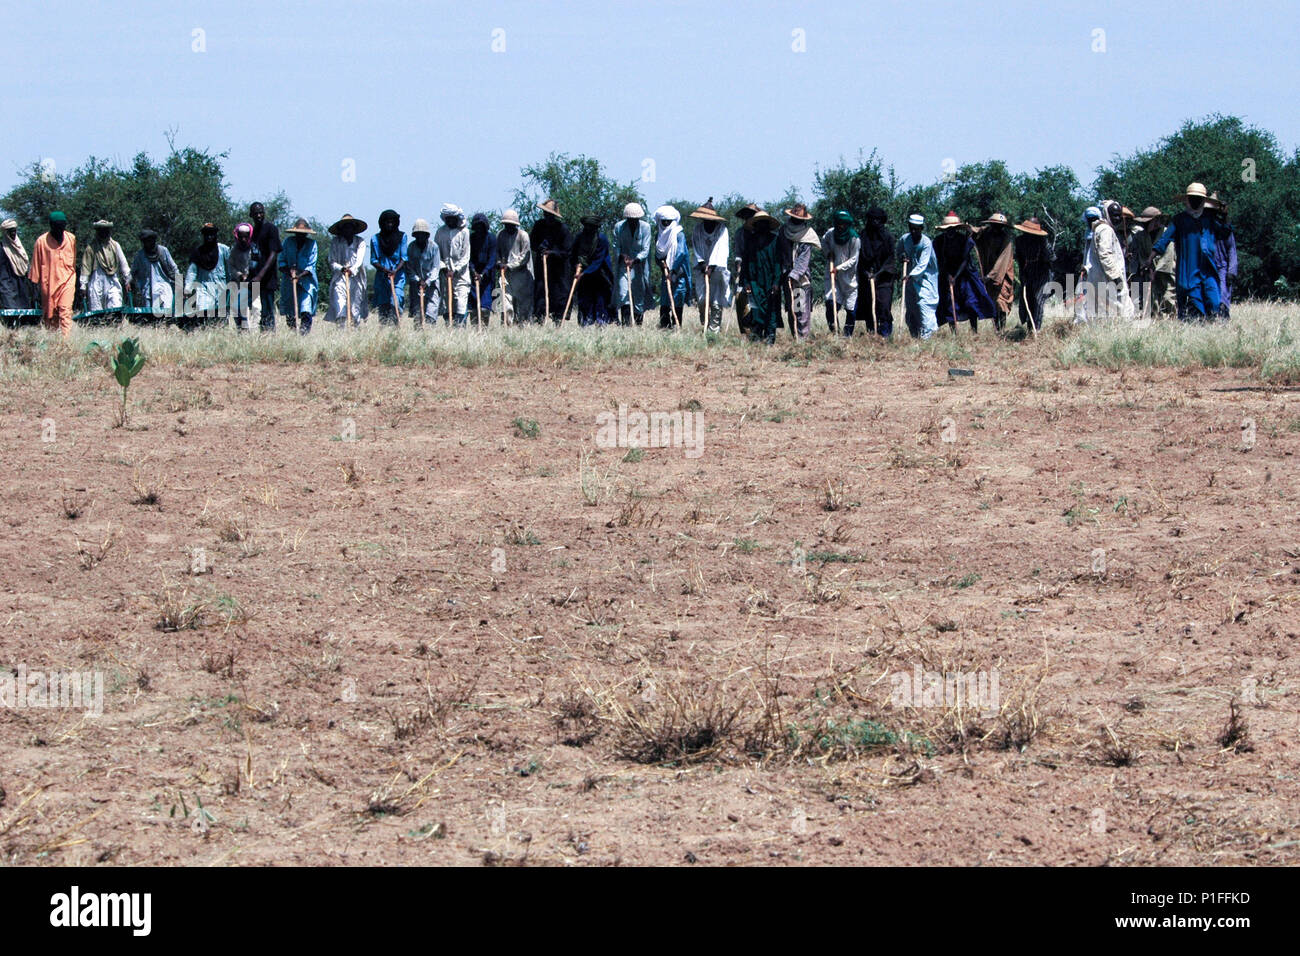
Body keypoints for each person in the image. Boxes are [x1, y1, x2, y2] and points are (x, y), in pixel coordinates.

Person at [1152, 182, 1232, 321]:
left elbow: (1224, 234)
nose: (1196, 201)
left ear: (1203, 201)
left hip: (1208, 271)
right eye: (1193, 198)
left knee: (1214, 302)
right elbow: (1163, 241)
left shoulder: (1210, 220)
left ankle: (1214, 331)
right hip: (1189, 271)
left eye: (1199, 199)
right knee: (1195, 306)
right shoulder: (1179, 220)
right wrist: (1149, 259)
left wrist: (1225, 216)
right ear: (1187, 200)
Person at [933, 212, 995, 333]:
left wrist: (956, 276)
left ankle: (974, 331)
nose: (950, 232)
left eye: (953, 229)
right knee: (949, 303)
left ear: (956, 229)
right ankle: (954, 333)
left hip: (965, 274)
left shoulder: (963, 239)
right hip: (947, 274)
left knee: (971, 301)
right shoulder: (939, 241)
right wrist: (948, 275)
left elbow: (965, 260)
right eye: (948, 229)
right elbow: (940, 261)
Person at [1080, 201, 1133, 320]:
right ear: (1106, 214)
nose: (1118, 218)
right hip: (1109, 279)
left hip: (1102, 278)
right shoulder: (1105, 230)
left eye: (1119, 215)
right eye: (1114, 215)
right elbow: (1105, 254)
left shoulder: (1101, 229)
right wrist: (1115, 277)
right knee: (1121, 310)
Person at [28, 211, 77, 336]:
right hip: (49, 283)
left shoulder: (71, 239)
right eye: (57, 225)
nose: (60, 228)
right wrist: (34, 289)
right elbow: (35, 266)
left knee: (65, 310)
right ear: (51, 225)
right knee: (51, 315)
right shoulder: (41, 241)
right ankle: (53, 342)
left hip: (68, 280)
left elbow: (74, 261)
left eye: (62, 225)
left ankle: (67, 343)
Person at [738, 210, 782, 344]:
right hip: (754, 281)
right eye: (759, 223)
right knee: (755, 308)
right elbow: (745, 263)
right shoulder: (750, 241)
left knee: (772, 309)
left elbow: (778, 263)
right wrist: (745, 282)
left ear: (768, 225)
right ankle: (757, 334)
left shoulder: (775, 240)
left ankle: (770, 336)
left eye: (764, 223)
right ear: (755, 225)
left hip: (770, 280)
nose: (761, 226)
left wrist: (776, 282)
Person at [852, 207, 895, 337]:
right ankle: (871, 332)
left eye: (878, 220)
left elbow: (890, 259)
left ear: (882, 221)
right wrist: (866, 273)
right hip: (866, 277)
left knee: (883, 305)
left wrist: (878, 274)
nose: (875, 222)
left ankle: (885, 334)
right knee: (868, 305)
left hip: (884, 278)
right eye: (872, 220)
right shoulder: (863, 236)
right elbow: (858, 257)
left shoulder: (888, 237)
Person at [688, 199, 730, 332]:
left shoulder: (722, 230)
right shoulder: (697, 229)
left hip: (718, 270)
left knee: (716, 302)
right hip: (701, 269)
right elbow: (696, 247)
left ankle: (713, 331)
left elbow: (721, 249)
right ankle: (705, 322)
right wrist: (702, 264)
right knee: (702, 301)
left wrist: (711, 266)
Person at [777, 203, 818, 337]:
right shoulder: (784, 231)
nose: (796, 220)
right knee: (791, 309)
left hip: (800, 280)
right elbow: (780, 253)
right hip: (786, 276)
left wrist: (794, 275)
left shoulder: (807, 235)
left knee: (800, 311)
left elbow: (803, 260)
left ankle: (802, 339)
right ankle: (795, 336)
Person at [897, 213, 938, 339]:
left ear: (921, 228)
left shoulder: (926, 243)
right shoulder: (904, 239)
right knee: (911, 306)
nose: (914, 231)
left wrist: (911, 275)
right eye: (911, 228)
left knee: (924, 304)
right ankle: (915, 336)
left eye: (917, 228)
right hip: (909, 278)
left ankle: (927, 338)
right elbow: (899, 252)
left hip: (925, 278)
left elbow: (923, 264)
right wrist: (902, 257)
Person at [570, 215, 615, 325]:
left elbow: (598, 261)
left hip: (600, 274)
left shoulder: (601, 239)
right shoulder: (579, 237)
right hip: (583, 273)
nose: (589, 229)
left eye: (591, 226)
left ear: (596, 228)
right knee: (585, 299)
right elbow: (573, 254)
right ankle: (585, 322)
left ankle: (601, 321)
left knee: (600, 299)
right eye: (587, 226)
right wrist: (576, 266)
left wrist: (584, 273)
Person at [183, 223, 230, 327]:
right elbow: (192, 272)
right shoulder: (198, 252)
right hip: (204, 287)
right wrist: (188, 287)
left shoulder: (224, 250)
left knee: (222, 316)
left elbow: (229, 269)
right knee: (204, 312)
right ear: (203, 235)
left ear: (215, 235)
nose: (209, 237)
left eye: (212, 234)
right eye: (207, 234)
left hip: (221, 287)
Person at [531, 198, 570, 322]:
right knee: (540, 293)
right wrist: (540, 249)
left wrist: (552, 253)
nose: (547, 216)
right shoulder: (539, 226)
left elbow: (567, 251)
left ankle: (557, 321)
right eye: (545, 213)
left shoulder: (562, 229)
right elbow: (532, 243)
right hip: (541, 267)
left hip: (558, 270)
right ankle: (540, 320)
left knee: (558, 296)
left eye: (549, 214)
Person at [79, 219, 131, 314]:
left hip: (113, 281)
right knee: (97, 312)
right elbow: (85, 268)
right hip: (96, 282)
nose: (103, 232)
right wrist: (83, 286)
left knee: (116, 308)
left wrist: (127, 280)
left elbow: (124, 264)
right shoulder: (91, 248)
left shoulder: (115, 245)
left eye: (105, 230)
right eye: (101, 230)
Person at [821, 210, 859, 334]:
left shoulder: (854, 239)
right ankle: (834, 332)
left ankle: (847, 335)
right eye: (839, 223)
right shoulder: (830, 234)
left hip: (849, 278)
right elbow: (824, 242)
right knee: (831, 305)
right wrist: (828, 253)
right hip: (832, 275)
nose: (841, 226)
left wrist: (839, 268)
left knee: (851, 308)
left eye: (844, 224)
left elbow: (854, 259)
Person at [975, 212, 1016, 330]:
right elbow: (978, 231)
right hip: (990, 274)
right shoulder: (987, 234)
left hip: (1003, 276)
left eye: (999, 226)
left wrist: (990, 276)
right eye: (994, 225)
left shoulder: (1006, 240)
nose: (997, 228)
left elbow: (1002, 261)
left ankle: (1002, 330)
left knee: (1001, 302)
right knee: (992, 301)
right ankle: (996, 330)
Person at [613, 202, 652, 325]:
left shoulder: (645, 227)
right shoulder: (619, 227)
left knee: (638, 296)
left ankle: (638, 325)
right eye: (630, 219)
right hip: (624, 266)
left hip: (639, 266)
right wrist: (622, 256)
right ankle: (626, 325)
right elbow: (616, 246)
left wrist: (635, 260)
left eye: (635, 219)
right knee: (623, 293)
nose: (633, 221)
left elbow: (646, 249)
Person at [327, 213, 368, 326]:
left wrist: (352, 269)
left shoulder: (360, 242)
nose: (348, 229)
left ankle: (354, 335)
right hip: (340, 278)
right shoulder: (336, 242)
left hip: (356, 278)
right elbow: (332, 261)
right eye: (345, 226)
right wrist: (341, 268)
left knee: (355, 308)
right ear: (341, 228)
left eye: (350, 226)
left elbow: (359, 261)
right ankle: (341, 333)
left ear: (354, 228)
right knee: (340, 306)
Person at [1012, 217, 1052, 332]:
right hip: (1027, 273)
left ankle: (1036, 330)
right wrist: (1022, 274)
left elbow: (1051, 259)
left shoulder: (1043, 242)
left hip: (1042, 275)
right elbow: (1019, 258)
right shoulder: (1019, 241)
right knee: (1027, 301)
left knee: (1038, 301)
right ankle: (1030, 327)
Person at [654, 205, 691, 328]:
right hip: (665, 273)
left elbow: (681, 253)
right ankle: (664, 325)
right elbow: (657, 254)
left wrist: (673, 269)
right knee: (665, 299)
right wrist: (661, 263)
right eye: (663, 221)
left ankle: (676, 324)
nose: (665, 224)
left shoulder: (679, 234)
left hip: (678, 273)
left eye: (668, 221)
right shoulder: (658, 236)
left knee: (678, 297)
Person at [280, 218, 318, 333]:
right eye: (298, 233)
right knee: (290, 309)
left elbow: (311, 266)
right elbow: (281, 262)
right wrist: (290, 272)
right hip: (289, 281)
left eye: (303, 234)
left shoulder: (312, 244)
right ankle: (292, 333)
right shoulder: (287, 242)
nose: (300, 236)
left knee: (306, 308)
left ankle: (304, 333)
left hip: (307, 282)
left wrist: (299, 275)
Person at [436, 204, 471, 326]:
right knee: (447, 304)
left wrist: (455, 269)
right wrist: (444, 268)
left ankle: (460, 328)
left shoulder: (464, 232)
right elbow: (437, 254)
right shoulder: (440, 232)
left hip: (461, 275)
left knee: (461, 303)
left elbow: (466, 256)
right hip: (445, 275)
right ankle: (449, 330)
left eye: (453, 218)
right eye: (448, 218)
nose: (450, 221)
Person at [495, 209, 532, 325]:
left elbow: (525, 256)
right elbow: (497, 252)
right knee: (506, 303)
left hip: (522, 275)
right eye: (506, 225)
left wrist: (510, 265)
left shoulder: (523, 235)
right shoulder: (500, 235)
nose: (508, 227)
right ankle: (507, 326)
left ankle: (523, 328)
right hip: (505, 275)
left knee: (523, 305)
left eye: (511, 225)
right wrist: (498, 262)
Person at [370, 209, 407, 325]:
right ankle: (384, 331)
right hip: (382, 277)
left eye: (392, 222)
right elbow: (373, 260)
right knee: (383, 305)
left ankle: (396, 329)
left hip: (397, 277)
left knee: (396, 300)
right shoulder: (375, 239)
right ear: (382, 223)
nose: (389, 225)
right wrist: (384, 270)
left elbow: (404, 258)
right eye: (387, 222)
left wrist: (395, 270)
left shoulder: (402, 237)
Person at [248, 202, 281, 331]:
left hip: (267, 277)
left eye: (261, 212)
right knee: (256, 309)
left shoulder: (271, 229)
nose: (259, 215)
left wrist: (261, 275)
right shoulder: (253, 232)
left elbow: (274, 253)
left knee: (267, 308)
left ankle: (269, 335)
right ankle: (260, 335)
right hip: (254, 276)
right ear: (251, 215)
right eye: (256, 213)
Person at [405, 218, 441, 325]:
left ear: (427, 235)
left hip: (432, 283)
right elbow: (409, 267)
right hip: (416, 284)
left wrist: (427, 281)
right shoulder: (411, 247)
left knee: (431, 311)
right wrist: (417, 279)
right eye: (418, 235)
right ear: (415, 235)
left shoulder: (434, 247)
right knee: (417, 312)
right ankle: (418, 334)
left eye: (423, 234)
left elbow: (436, 267)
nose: (420, 237)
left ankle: (430, 334)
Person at [1207, 192, 1237, 316]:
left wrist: (1231, 271)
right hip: (1207, 266)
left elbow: (1231, 250)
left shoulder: (1224, 228)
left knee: (1223, 296)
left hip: (1222, 267)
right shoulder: (1202, 226)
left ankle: (1223, 320)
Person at [1127, 207, 1160, 316]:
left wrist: (1154, 270)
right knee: (1140, 296)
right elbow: (1137, 253)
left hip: (1161, 271)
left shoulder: (1165, 234)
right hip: (1143, 270)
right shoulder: (1139, 236)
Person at [732, 203, 759, 333]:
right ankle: (744, 330)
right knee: (740, 298)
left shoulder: (760, 233)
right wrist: (738, 265)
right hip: (743, 271)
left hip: (758, 271)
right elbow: (738, 253)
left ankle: (756, 330)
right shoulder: (740, 234)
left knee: (756, 300)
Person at [227, 222, 257, 330]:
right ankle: (240, 330)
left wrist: (249, 276)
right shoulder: (234, 250)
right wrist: (239, 275)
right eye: (241, 236)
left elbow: (256, 264)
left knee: (254, 309)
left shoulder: (254, 249)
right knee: (236, 308)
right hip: (237, 283)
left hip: (252, 283)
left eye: (246, 236)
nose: (243, 239)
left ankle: (252, 332)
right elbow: (230, 265)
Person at [469, 213, 497, 324]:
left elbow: (492, 259)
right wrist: (473, 271)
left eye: (481, 226)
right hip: (473, 275)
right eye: (477, 226)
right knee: (473, 308)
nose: (479, 228)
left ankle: (484, 328)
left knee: (485, 308)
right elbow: (469, 257)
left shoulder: (491, 238)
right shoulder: (471, 238)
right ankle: (475, 329)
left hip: (487, 277)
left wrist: (483, 273)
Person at [1, 218, 33, 312]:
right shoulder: (2, 248)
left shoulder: (19, 247)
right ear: (6, 233)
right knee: (11, 311)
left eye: (14, 231)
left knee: (25, 310)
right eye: (10, 231)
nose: (13, 234)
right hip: (7, 285)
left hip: (21, 282)